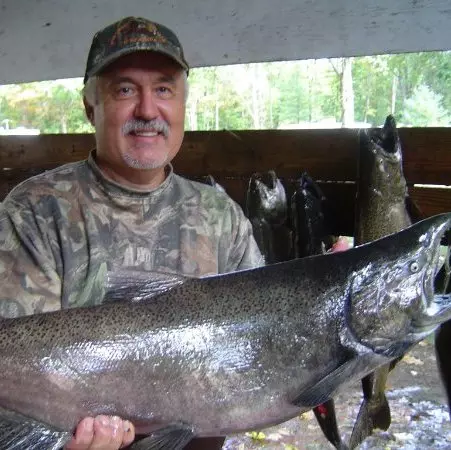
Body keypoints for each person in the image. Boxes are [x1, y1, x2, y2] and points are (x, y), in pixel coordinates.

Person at [0, 16, 264, 450]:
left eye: (164, 89)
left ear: (181, 104)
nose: (147, 110)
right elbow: (15, 377)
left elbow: (258, 345)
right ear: (90, 107)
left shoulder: (221, 216)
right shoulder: (35, 212)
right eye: (125, 89)